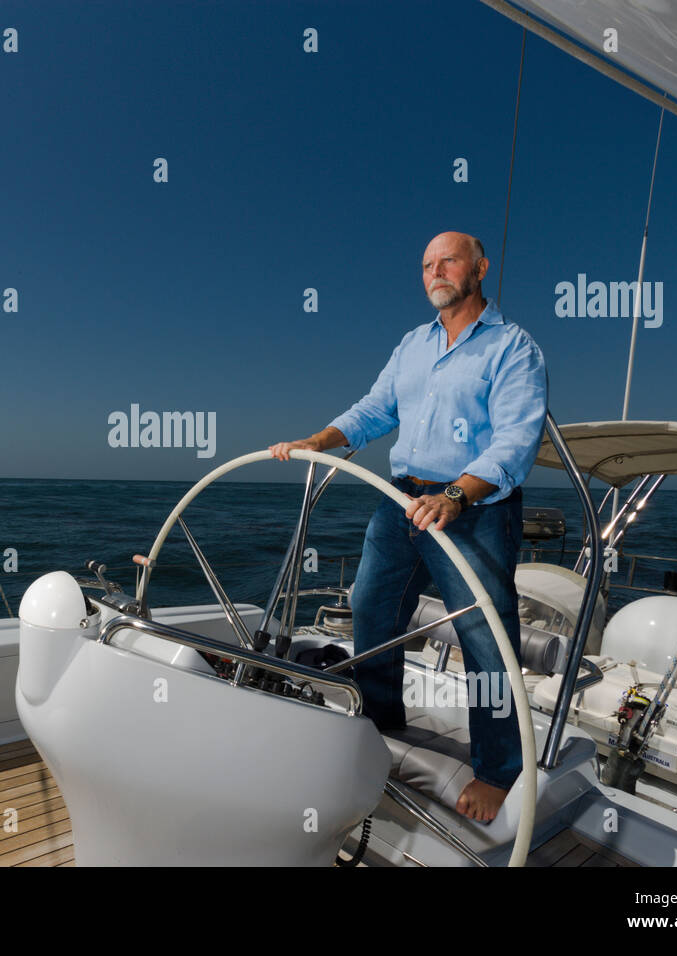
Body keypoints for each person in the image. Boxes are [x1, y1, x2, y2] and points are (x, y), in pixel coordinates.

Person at [270, 231, 547, 822]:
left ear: (479, 268)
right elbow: (375, 409)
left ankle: (499, 771)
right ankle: (378, 725)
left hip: (476, 510)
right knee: (371, 607)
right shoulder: (412, 345)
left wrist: (457, 495)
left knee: (484, 638)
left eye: (448, 260)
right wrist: (317, 442)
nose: (435, 271)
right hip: (400, 501)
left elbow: (517, 440)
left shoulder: (512, 347)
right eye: (426, 264)